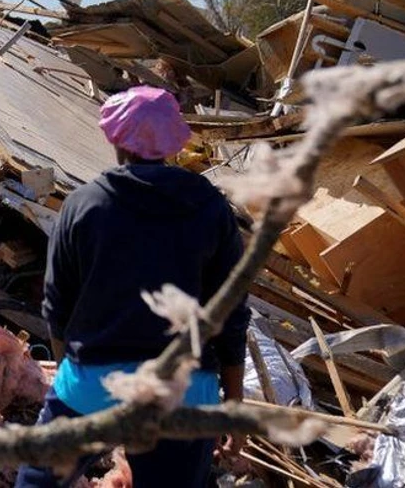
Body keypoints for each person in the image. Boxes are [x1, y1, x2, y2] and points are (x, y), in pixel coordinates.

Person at [15, 86, 250, 488]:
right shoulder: (210, 207)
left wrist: (70, 376)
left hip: (94, 383)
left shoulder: (83, 204)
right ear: (174, 142)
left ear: (114, 139)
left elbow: (56, 308)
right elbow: (231, 314)